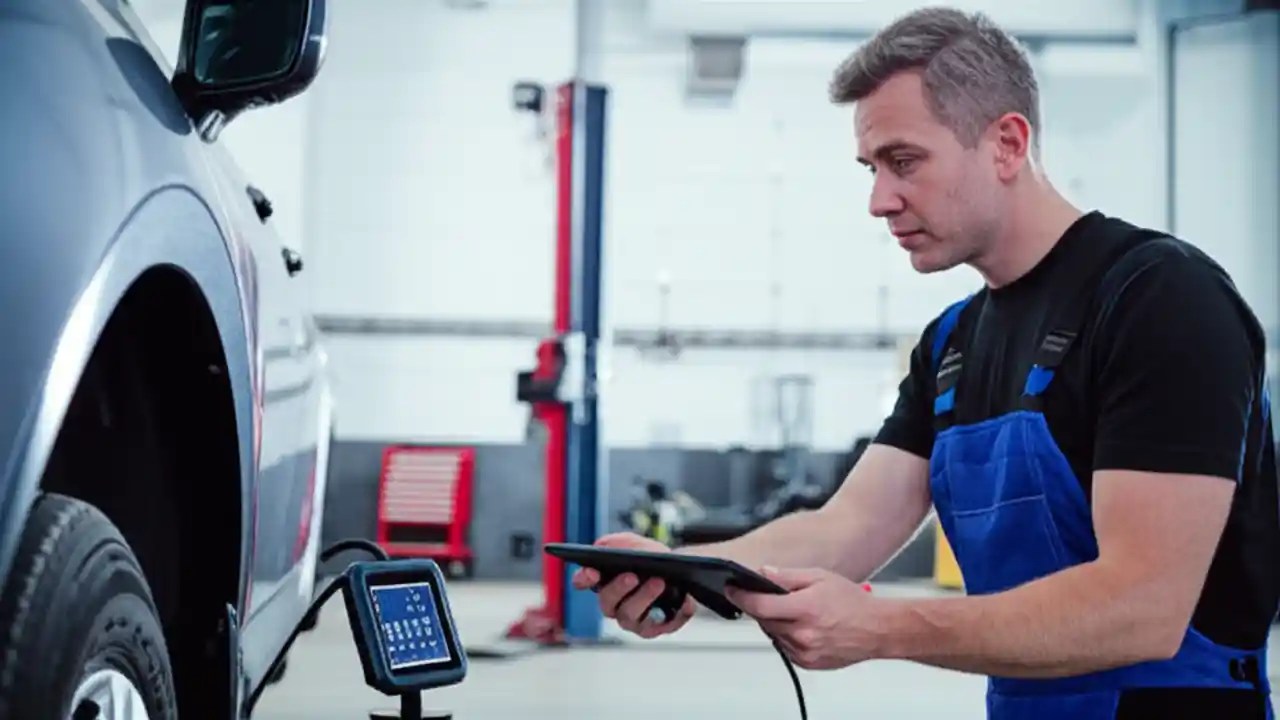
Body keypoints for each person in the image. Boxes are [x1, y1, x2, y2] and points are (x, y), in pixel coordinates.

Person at [572, 6, 1280, 719]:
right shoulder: (952, 344)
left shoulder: (1158, 301)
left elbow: (1141, 606)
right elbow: (842, 531)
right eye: (871, 168)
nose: (880, 200)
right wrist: (693, 574)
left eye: (904, 161)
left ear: (1006, 143)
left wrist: (882, 626)